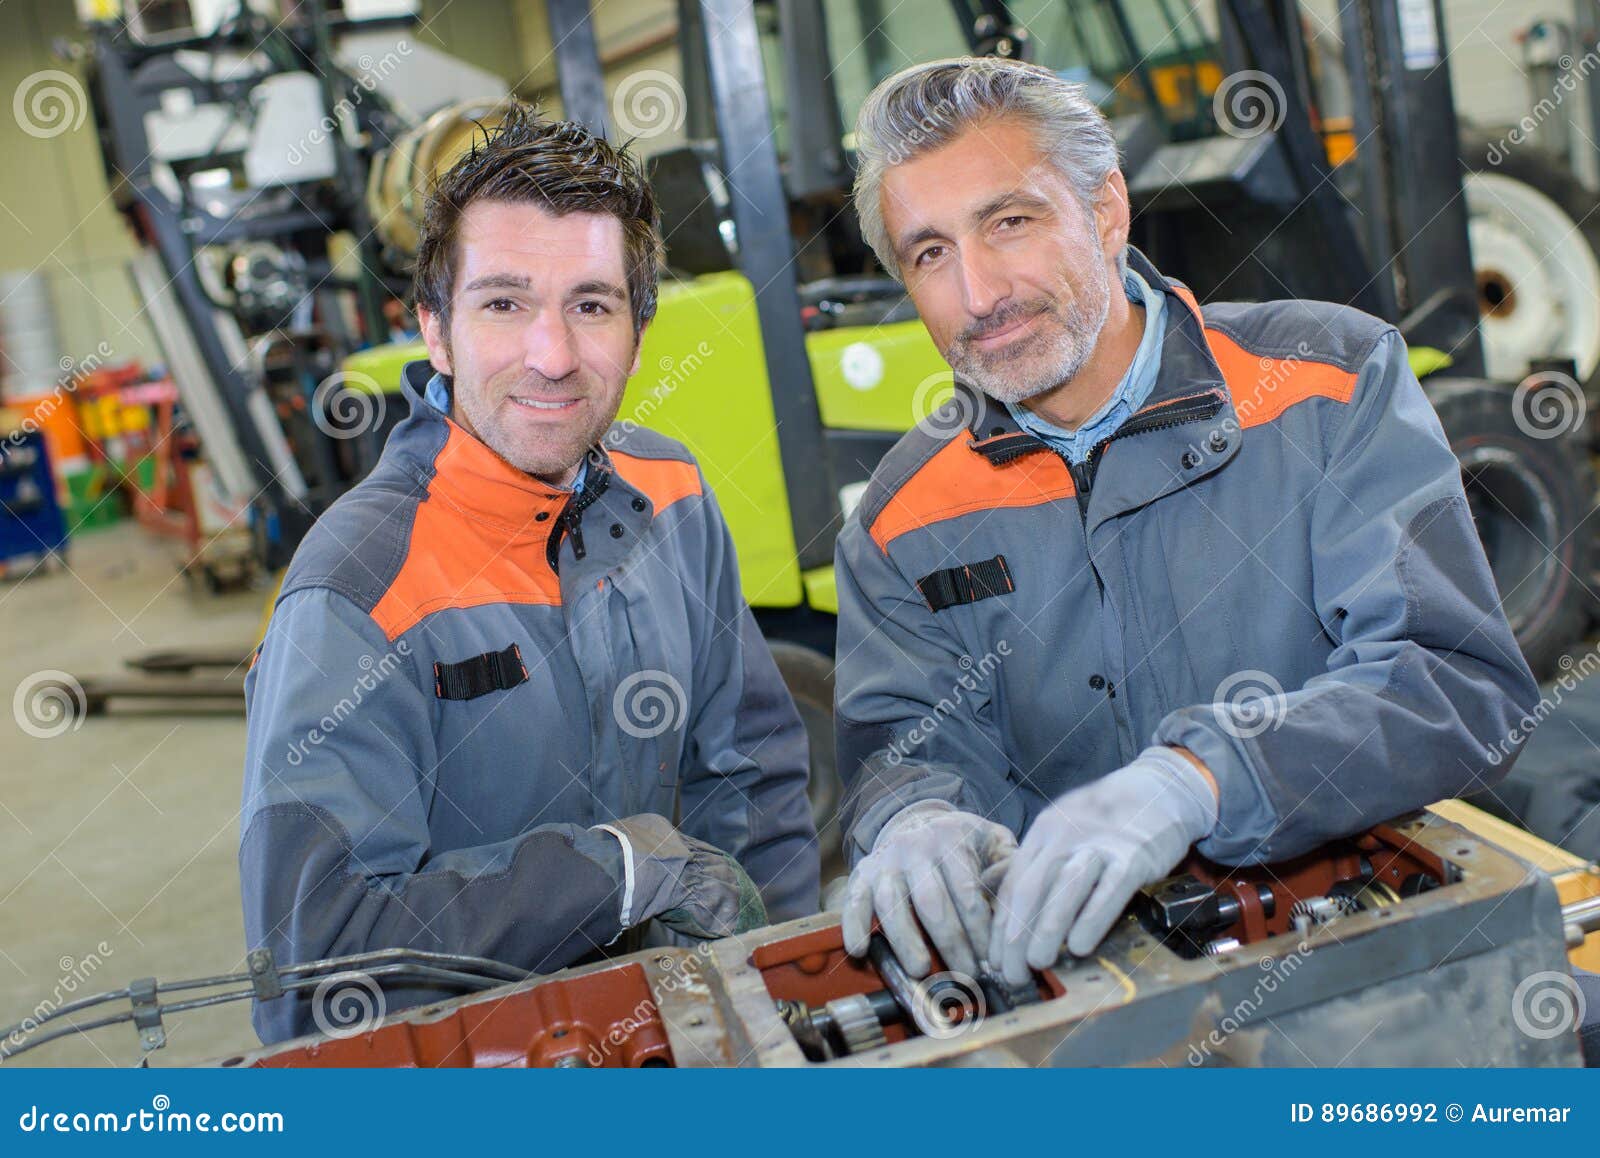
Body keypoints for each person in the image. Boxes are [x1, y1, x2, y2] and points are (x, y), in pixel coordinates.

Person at [832, 57, 1540, 989]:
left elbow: (1456, 683)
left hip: (1354, 963)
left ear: (1107, 210)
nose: (978, 293)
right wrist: (909, 818)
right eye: (929, 253)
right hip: (1082, 996)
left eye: (1010, 221)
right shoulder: (899, 518)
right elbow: (903, 746)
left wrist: (1201, 778)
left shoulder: (1326, 385)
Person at [240, 103, 818, 1043]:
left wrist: (778, 989)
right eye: (503, 303)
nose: (552, 356)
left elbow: (751, 771)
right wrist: (609, 874)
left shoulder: (669, 490)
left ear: (638, 329)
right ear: (435, 330)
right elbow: (319, 965)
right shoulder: (357, 591)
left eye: (591, 305)